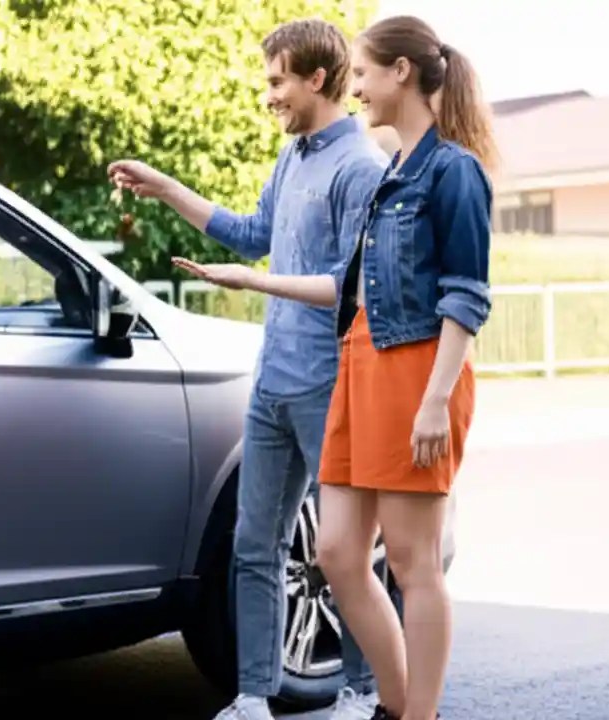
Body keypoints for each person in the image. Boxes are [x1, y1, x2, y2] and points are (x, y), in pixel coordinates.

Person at [172, 15, 496, 720]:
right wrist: (246, 270)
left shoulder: (450, 172)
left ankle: (407, 710)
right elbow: (348, 285)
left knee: (411, 560)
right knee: (340, 553)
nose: (358, 88)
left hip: (410, 376)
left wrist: (435, 399)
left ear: (401, 73)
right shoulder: (391, 174)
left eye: (366, 73)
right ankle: (389, 700)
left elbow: (466, 296)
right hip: (358, 368)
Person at [108, 18, 391, 720]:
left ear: (317, 79)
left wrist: (254, 283)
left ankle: (362, 692)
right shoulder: (293, 157)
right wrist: (166, 188)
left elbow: (352, 285)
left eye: (277, 81)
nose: (268, 95)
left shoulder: (360, 167)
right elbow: (250, 234)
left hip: (330, 385)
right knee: (254, 546)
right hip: (272, 384)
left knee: (346, 551)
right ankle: (255, 697)